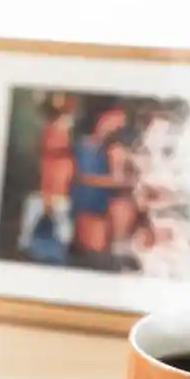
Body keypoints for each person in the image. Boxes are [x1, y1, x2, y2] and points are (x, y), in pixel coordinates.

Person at [70, 107, 129, 268]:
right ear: (102, 119)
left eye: (120, 125)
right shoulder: (84, 146)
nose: (116, 127)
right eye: (114, 122)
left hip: (100, 210)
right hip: (86, 208)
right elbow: (78, 177)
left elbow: (116, 179)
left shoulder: (113, 149)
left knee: (98, 255)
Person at [19, 97, 77, 251]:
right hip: (47, 192)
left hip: (58, 195)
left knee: (60, 213)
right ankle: (26, 245)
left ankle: (62, 247)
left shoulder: (66, 159)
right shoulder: (49, 134)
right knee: (34, 205)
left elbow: (62, 182)